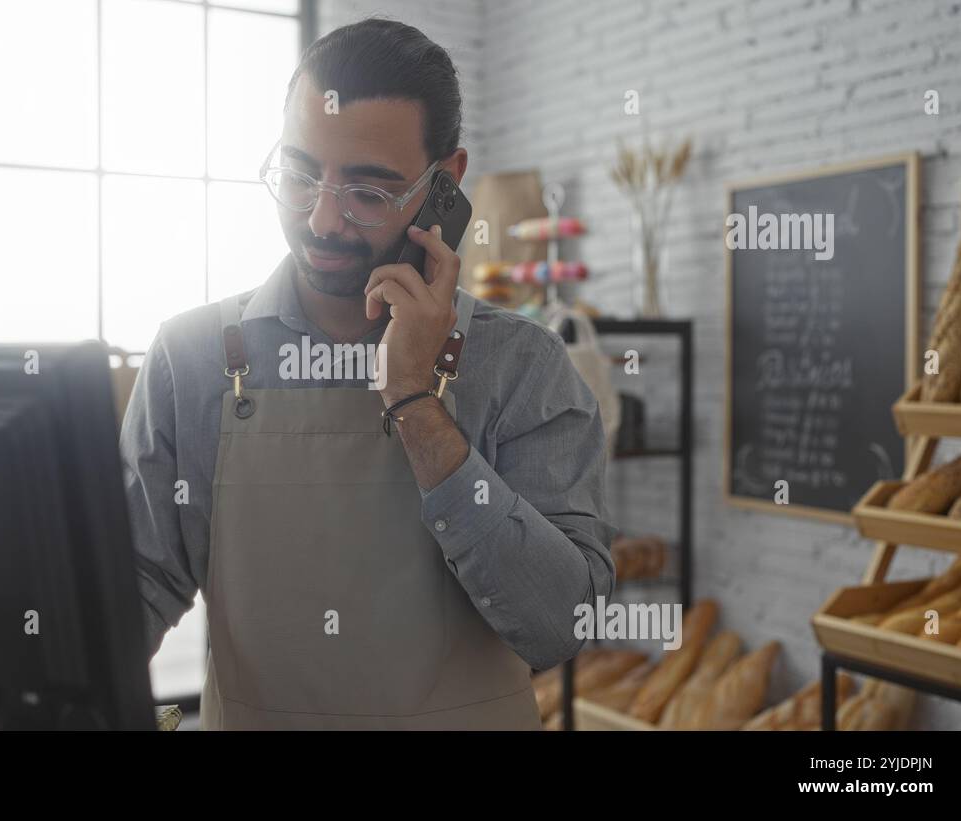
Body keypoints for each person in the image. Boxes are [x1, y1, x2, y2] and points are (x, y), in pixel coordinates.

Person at [120, 18, 618, 730]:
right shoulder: (192, 358)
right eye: (300, 175)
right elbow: (135, 587)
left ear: (445, 186)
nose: (322, 219)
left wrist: (416, 401)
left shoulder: (524, 366)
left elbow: (560, 623)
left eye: (368, 191)